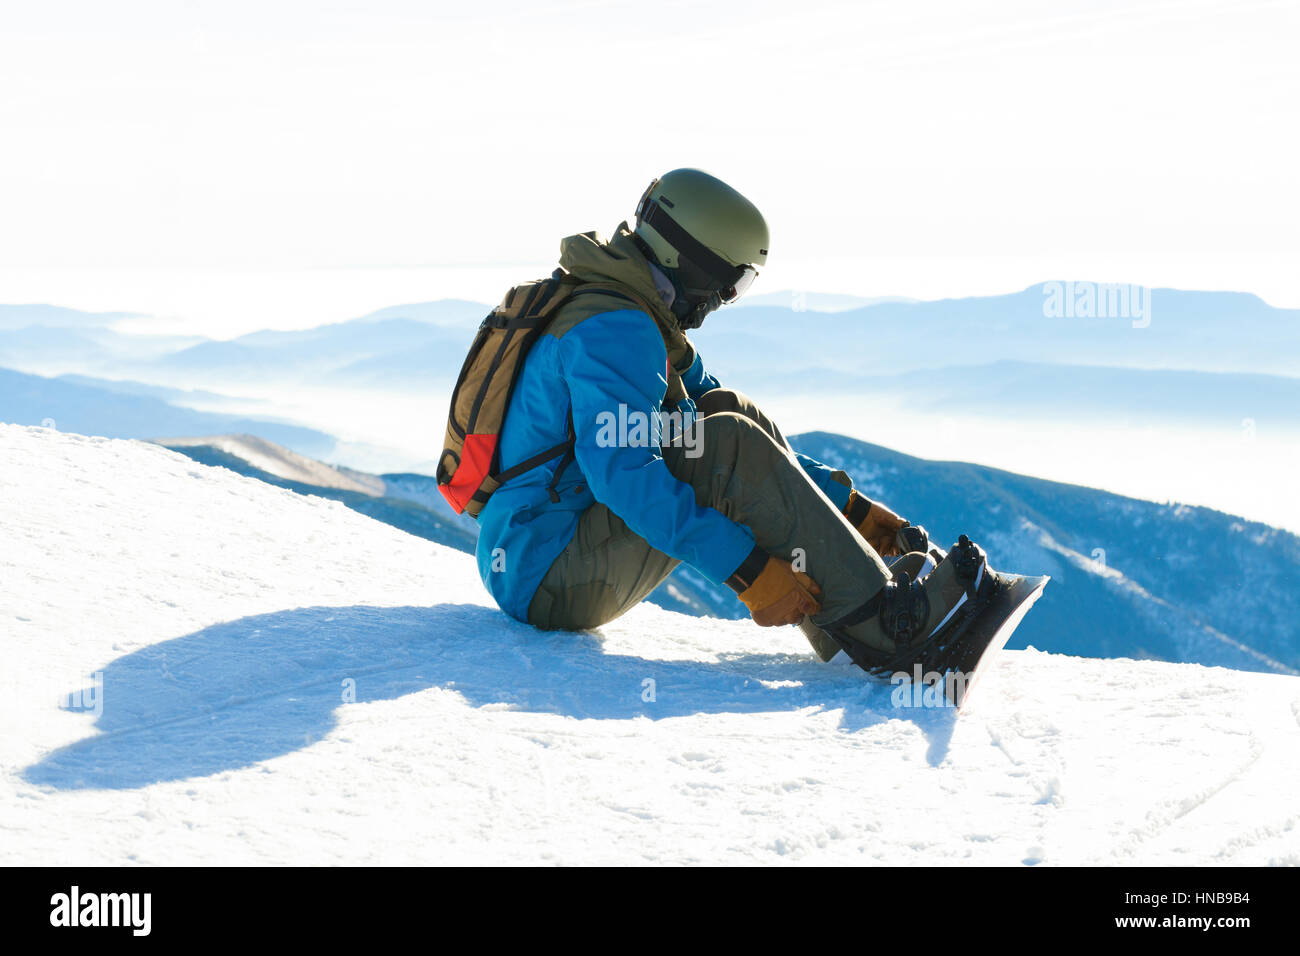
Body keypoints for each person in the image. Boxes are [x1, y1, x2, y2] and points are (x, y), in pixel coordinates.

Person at [473, 168, 1010, 676]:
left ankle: (851, 611)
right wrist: (748, 570)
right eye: (731, 282)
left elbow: (733, 425)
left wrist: (853, 510)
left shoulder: (633, 315)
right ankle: (893, 630)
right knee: (722, 441)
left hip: (541, 553)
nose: (724, 300)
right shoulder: (614, 330)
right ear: (694, 263)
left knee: (728, 413)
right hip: (546, 576)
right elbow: (625, 475)